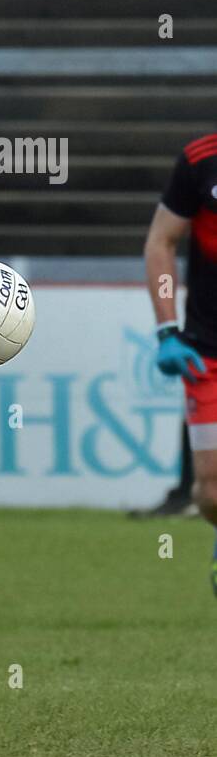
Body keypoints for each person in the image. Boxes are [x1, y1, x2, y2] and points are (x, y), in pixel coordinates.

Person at [144, 131, 217, 592]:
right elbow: (161, 242)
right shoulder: (200, 159)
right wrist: (168, 329)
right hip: (208, 348)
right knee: (211, 492)